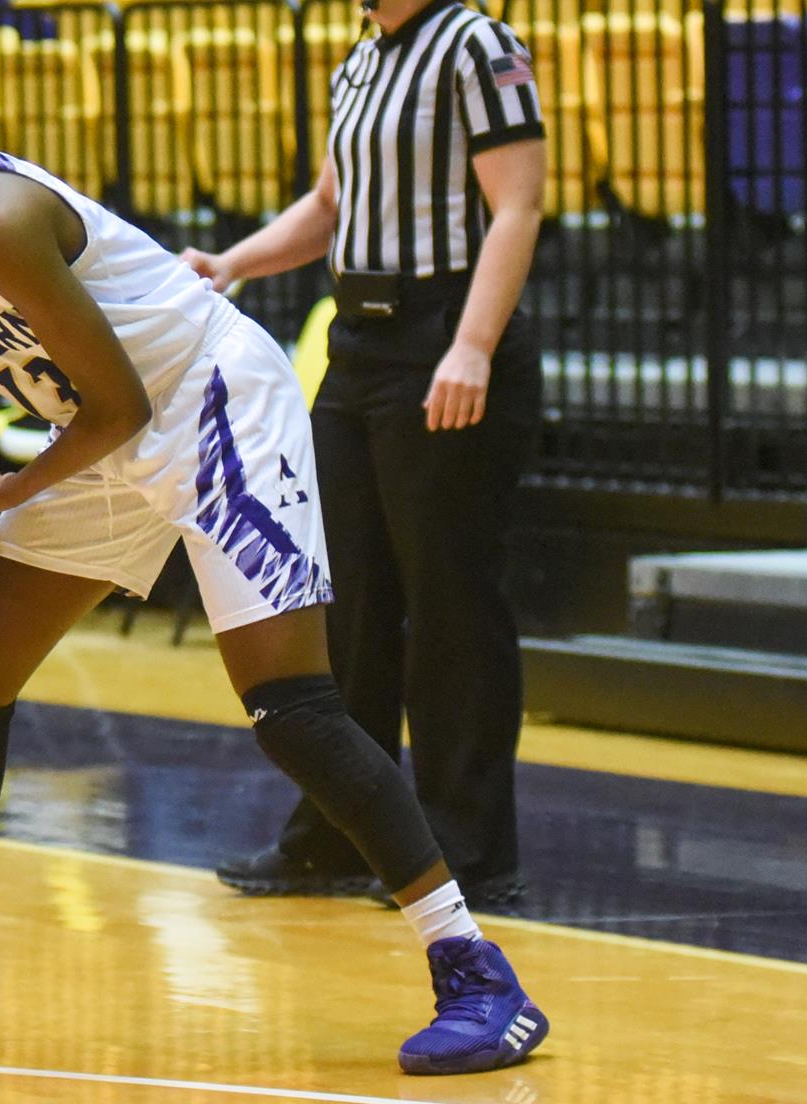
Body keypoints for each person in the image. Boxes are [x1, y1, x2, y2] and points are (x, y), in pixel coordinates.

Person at [0, 12, 549, 1075]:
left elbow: (119, 408)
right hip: (100, 424)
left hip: (202, 402)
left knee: (290, 707)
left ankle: (475, 970)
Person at [183, 0, 547, 906]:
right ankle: (342, 836)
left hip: (445, 334)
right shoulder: (361, 59)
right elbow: (329, 205)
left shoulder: (477, 44)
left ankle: (469, 849)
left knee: (451, 604)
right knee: (341, 604)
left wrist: (473, 346)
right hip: (359, 346)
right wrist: (233, 261)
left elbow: (518, 205)